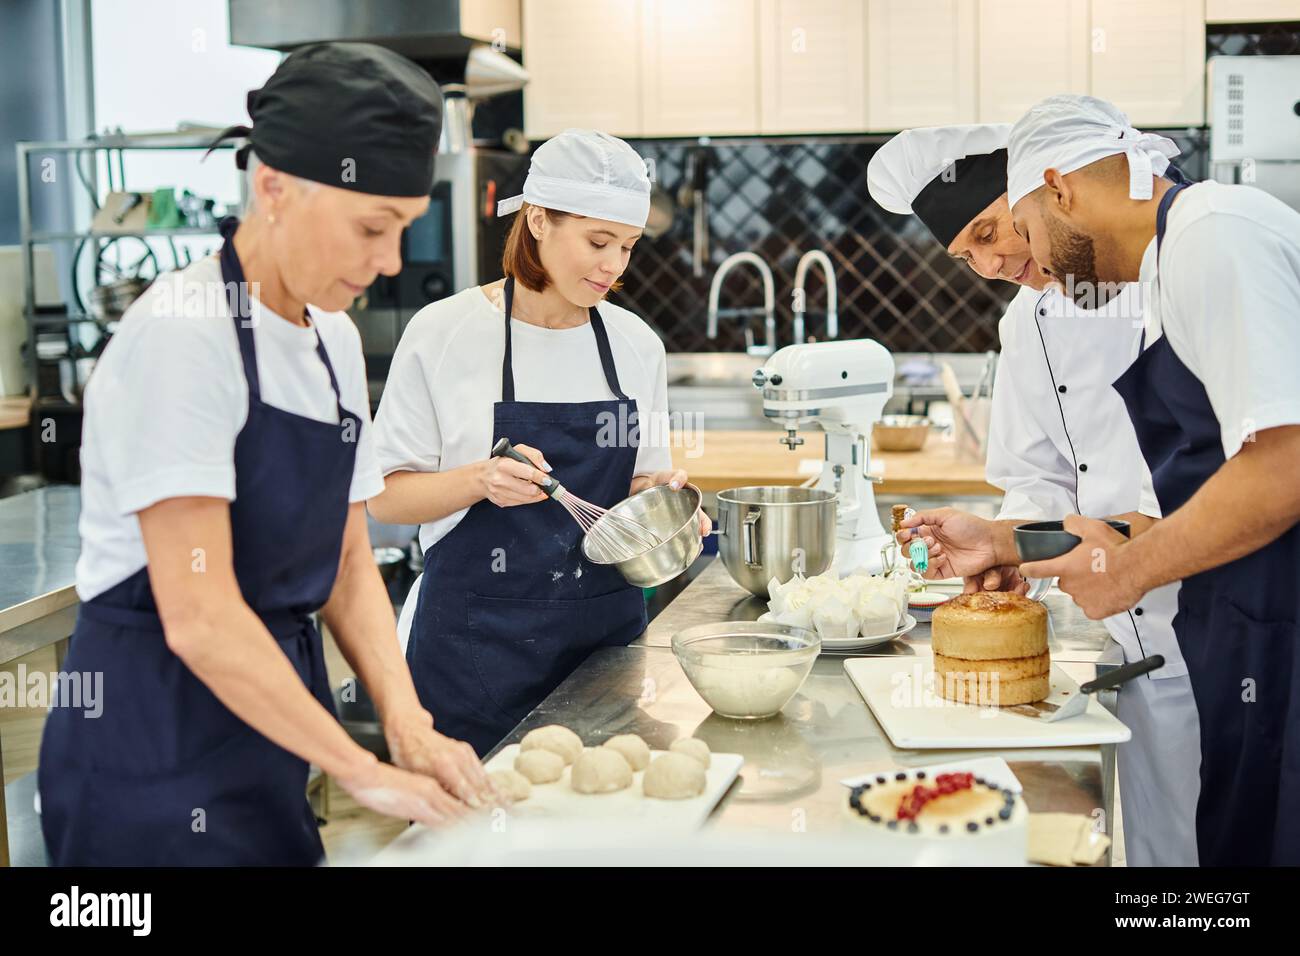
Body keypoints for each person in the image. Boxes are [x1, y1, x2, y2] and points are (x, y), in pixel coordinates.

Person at [39, 43, 496, 867]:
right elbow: (202, 616)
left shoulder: (333, 337)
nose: (391, 261)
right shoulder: (185, 336)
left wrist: (407, 723)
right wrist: (360, 767)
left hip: (273, 731)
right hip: (151, 742)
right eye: (371, 228)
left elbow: (351, 560)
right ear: (274, 187)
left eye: (402, 230)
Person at [868, 123, 1199, 866]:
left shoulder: (1168, 275)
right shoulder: (1026, 324)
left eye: (995, 231)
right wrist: (1014, 545)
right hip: (1120, 637)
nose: (992, 262)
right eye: (967, 255)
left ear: (1041, 197)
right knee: (1152, 852)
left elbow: (1219, 474)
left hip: (1212, 605)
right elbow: (1037, 479)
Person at [1005, 94, 1300, 866]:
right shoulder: (1173, 263)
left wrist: (1129, 572)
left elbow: (1284, 467)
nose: (1036, 263)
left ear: (1061, 189)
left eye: (1030, 231)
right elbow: (1214, 484)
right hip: (1254, 620)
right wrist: (1012, 540)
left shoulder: (1216, 234)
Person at [369, 129, 709, 756]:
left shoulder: (640, 346)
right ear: (537, 220)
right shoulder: (443, 333)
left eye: (628, 247)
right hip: (473, 655)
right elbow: (385, 499)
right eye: (598, 242)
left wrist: (664, 496)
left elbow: (641, 481)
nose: (614, 266)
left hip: (604, 654)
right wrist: (479, 479)